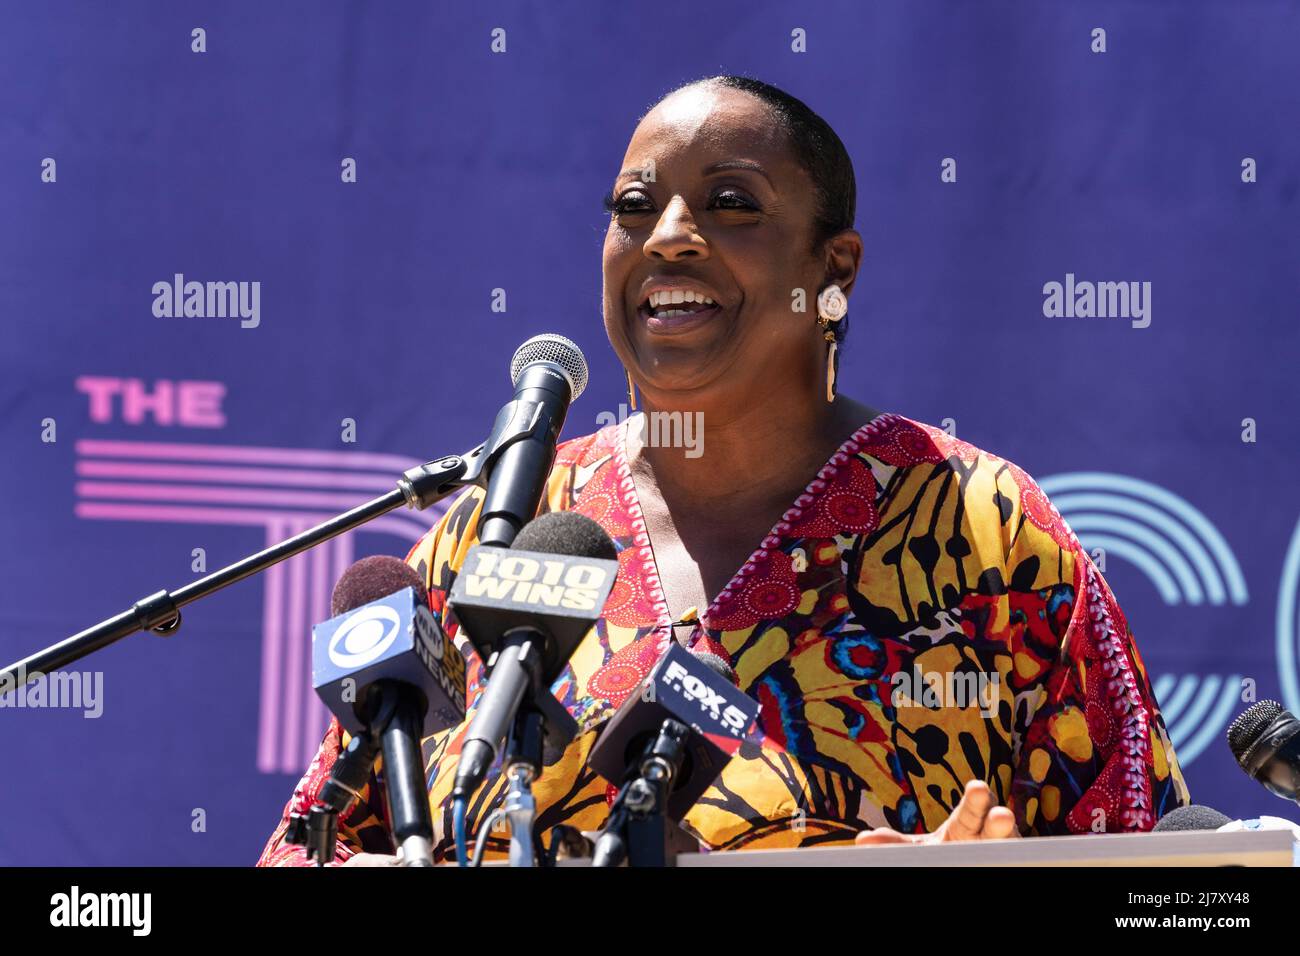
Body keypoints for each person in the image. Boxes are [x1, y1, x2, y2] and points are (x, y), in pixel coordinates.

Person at [258, 75, 1189, 866]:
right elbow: (317, 840)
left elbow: (1165, 875)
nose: (669, 235)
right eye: (634, 207)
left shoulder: (983, 529)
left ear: (835, 268)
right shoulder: (503, 526)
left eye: (730, 204)